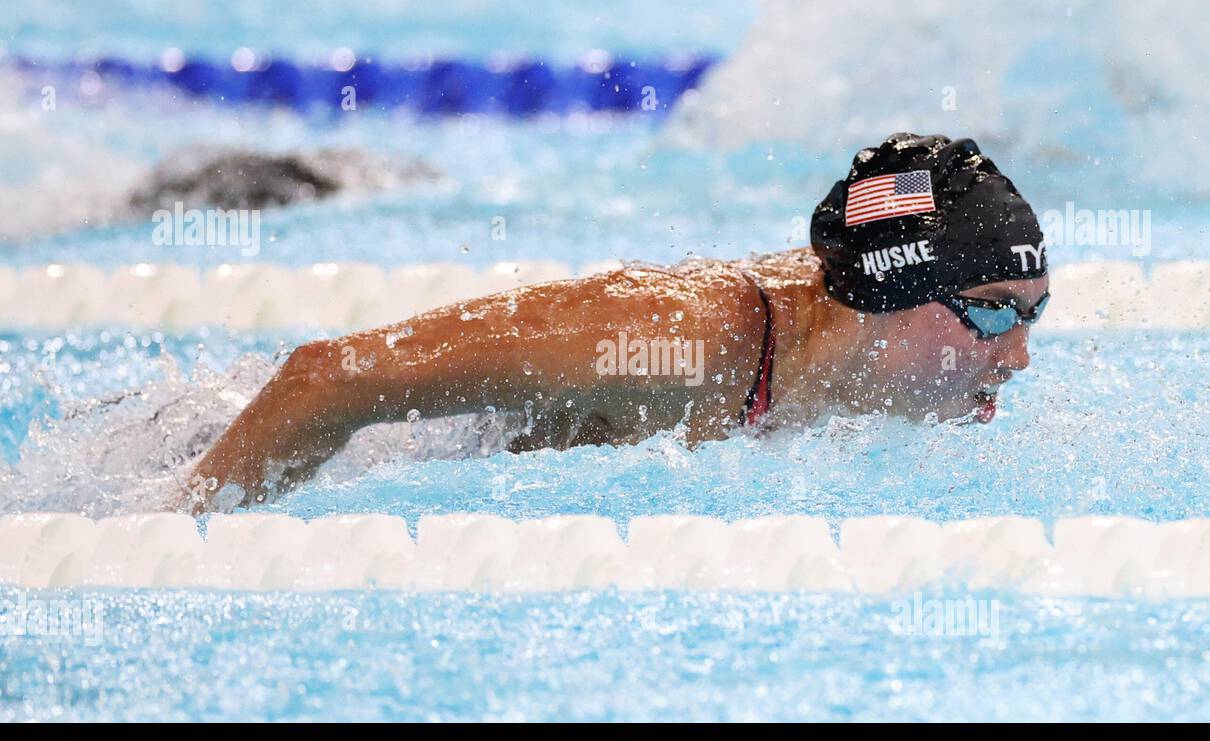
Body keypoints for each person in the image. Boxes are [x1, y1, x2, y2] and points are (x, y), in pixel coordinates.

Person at [179, 133, 1049, 513]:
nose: (1016, 355)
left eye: (1033, 316)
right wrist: (167, 534)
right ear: (884, 296)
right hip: (197, 444)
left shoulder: (827, 342)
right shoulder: (688, 338)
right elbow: (330, 376)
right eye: (989, 312)